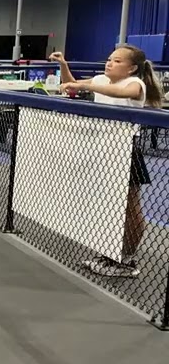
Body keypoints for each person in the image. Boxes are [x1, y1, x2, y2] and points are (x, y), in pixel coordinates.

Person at [53, 46, 164, 277]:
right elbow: (71, 82)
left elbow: (124, 94)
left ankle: (127, 260)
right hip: (104, 150)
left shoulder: (135, 84)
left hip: (127, 150)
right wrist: (64, 65)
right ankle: (110, 254)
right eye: (109, 59)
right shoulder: (102, 79)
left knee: (131, 207)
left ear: (132, 68)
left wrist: (84, 85)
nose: (109, 63)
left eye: (117, 61)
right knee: (109, 203)